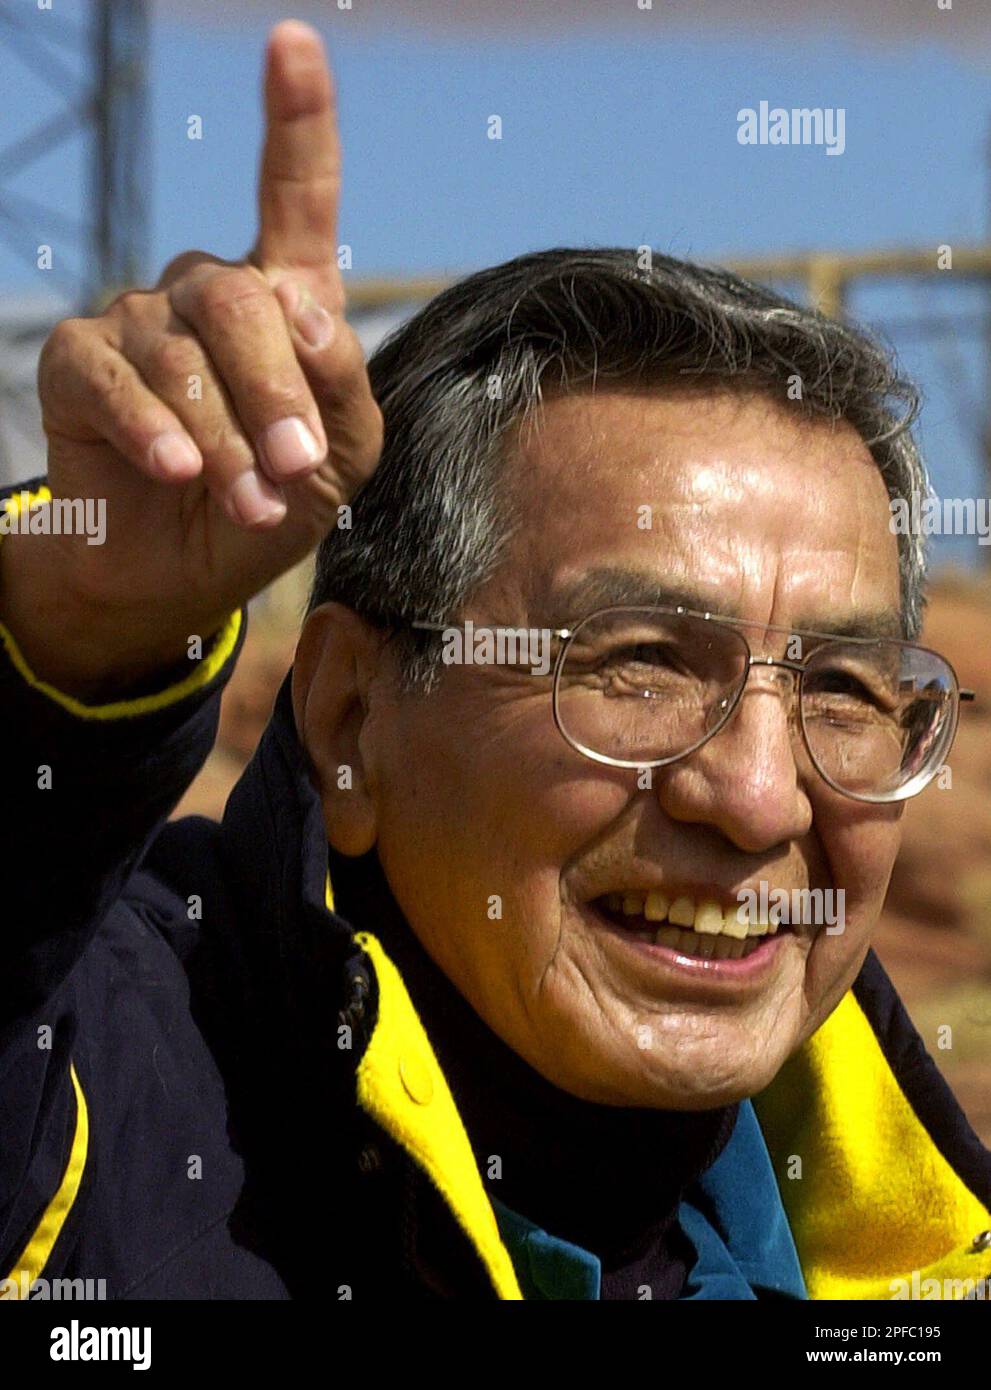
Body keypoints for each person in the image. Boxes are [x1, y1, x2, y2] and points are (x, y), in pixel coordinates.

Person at [1, 20, 989, 1302]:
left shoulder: (907, 1254)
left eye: (843, 690)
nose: (754, 799)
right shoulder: (110, 1108)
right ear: (352, 716)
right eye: (639, 665)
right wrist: (69, 649)